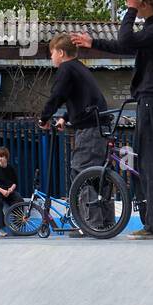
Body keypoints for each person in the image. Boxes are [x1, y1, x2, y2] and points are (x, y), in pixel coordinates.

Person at [71, 0, 153, 240]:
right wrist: (93, 42)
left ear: (143, 2)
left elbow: (126, 39)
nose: (131, 3)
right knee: (145, 162)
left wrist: (129, 10)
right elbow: (125, 46)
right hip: (150, 100)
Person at [39, 34, 108, 235]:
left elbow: (57, 95)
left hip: (89, 129)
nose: (51, 57)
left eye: (52, 53)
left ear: (61, 53)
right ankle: (105, 222)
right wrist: (65, 117)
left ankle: (89, 224)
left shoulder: (66, 69)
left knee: (81, 172)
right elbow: (81, 99)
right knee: (98, 175)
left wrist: (44, 118)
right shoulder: (80, 68)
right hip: (98, 126)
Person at [0, 146, 22, 237]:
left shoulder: (11, 168)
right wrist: (2, 191)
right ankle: (0, 227)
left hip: (9, 190)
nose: (0, 158)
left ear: (6, 157)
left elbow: (15, 182)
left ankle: (17, 224)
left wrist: (11, 189)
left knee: (19, 199)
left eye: (2, 156)